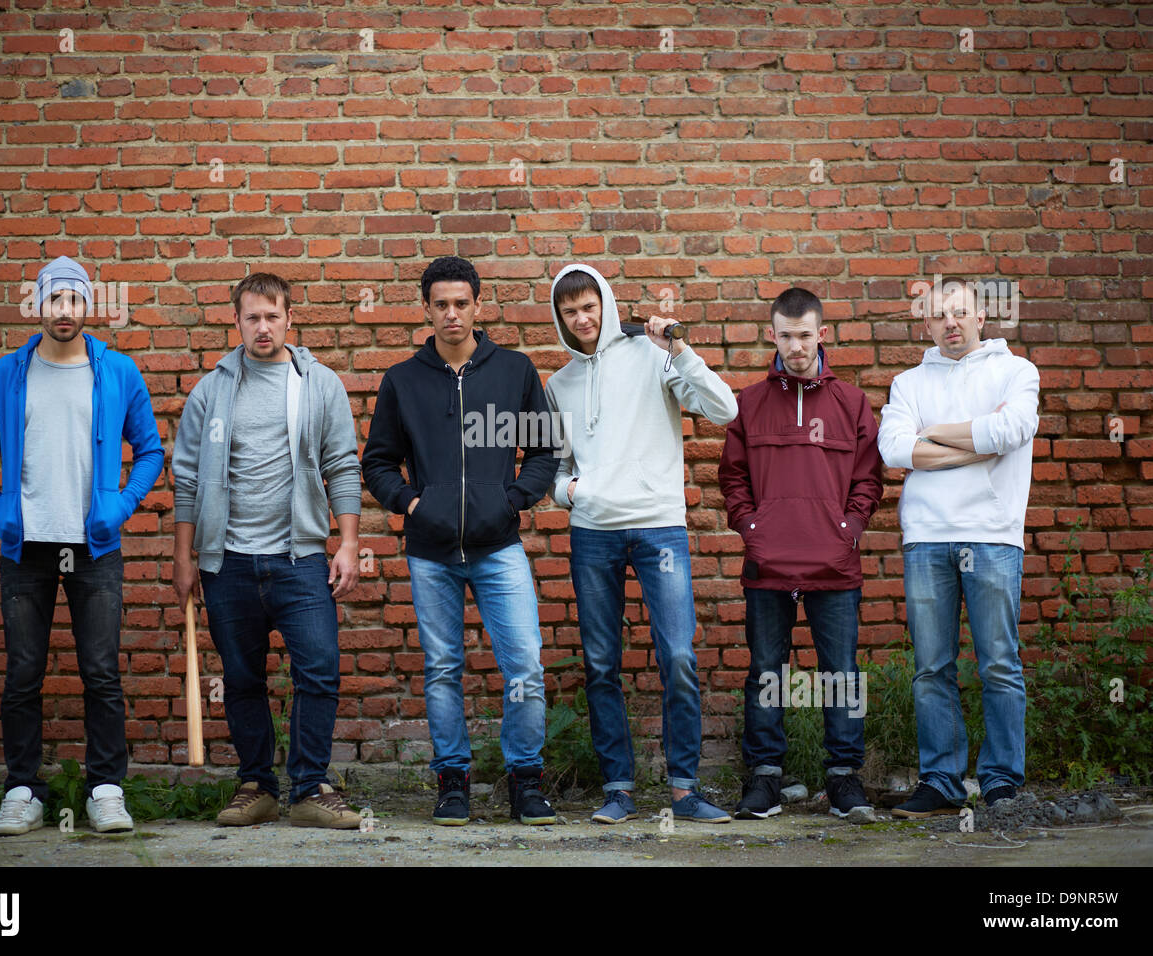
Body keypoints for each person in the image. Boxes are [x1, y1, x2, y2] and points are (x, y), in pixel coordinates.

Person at [0, 255, 164, 835]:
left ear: (88, 305)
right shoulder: (7, 374)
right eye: (55, 300)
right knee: (23, 672)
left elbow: (150, 450)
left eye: (75, 301)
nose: (65, 312)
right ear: (39, 305)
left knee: (101, 671)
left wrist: (121, 504)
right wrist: (1, 506)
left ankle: (106, 788)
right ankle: (23, 790)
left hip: (94, 546)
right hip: (26, 546)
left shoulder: (118, 372)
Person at [361, 256, 559, 826]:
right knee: (444, 666)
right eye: (440, 304)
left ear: (478, 305)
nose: (452, 314)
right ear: (426, 308)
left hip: (500, 547)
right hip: (431, 551)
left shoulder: (515, 370)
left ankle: (526, 780)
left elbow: (545, 452)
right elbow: (378, 463)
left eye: (461, 303)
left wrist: (512, 500)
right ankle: (453, 781)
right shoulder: (403, 379)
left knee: (523, 665)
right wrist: (413, 504)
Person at [545, 264, 739, 825]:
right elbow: (555, 465)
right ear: (560, 318)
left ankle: (684, 789)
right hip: (593, 533)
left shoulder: (656, 355)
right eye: (570, 312)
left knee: (677, 654)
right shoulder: (559, 384)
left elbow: (724, 410)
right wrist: (568, 492)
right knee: (602, 662)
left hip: (659, 526)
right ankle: (618, 790)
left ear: (605, 302)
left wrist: (677, 347)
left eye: (589, 306)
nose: (582, 319)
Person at [171, 272, 363, 829]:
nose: (262, 327)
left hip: (299, 558)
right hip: (226, 562)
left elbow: (342, 465)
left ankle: (309, 788)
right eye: (251, 317)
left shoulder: (319, 383)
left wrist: (348, 543)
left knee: (319, 670)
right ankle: (256, 785)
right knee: (242, 678)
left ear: (288, 320)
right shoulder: (211, 390)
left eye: (272, 316)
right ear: (236, 322)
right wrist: (184, 558)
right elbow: (186, 479)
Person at [718, 288, 884, 822]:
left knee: (841, 673)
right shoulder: (748, 401)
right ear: (772, 335)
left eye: (804, 335)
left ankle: (843, 778)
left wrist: (848, 527)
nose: (795, 345)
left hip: (834, 563)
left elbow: (869, 477)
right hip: (768, 563)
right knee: (767, 670)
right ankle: (765, 777)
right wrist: (752, 527)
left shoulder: (851, 403)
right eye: (785, 335)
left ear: (822, 335)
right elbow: (733, 477)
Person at [877, 278, 1039, 818]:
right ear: (925, 324)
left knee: (997, 663)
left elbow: (1015, 427)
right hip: (927, 538)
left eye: (961, 313)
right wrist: (976, 442)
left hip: (992, 535)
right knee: (931, 667)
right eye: (939, 316)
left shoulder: (1016, 371)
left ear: (981, 317)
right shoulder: (908, 382)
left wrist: (936, 434)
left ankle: (1000, 780)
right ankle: (942, 780)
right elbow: (896, 447)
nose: (951, 323)